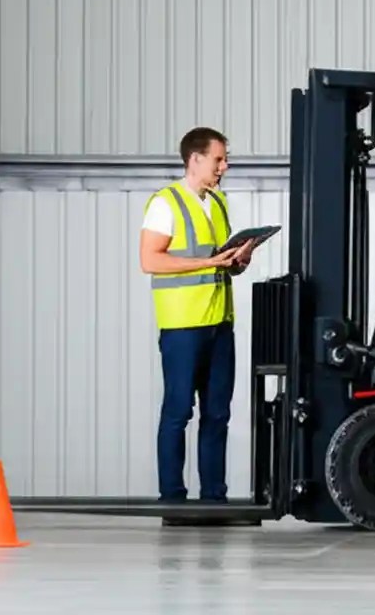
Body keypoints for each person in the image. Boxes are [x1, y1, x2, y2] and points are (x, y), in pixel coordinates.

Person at [139, 127, 256, 503]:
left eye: (225, 158)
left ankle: (214, 499)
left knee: (217, 414)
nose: (225, 165)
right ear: (195, 159)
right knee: (178, 411)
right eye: (219, 158)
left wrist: (238, 260)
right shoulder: (166, 202)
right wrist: (207, 262)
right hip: (183, 326)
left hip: (220, 323)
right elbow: (150, 259)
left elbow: (218, 264)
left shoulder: (217, 203)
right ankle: (172, 498)